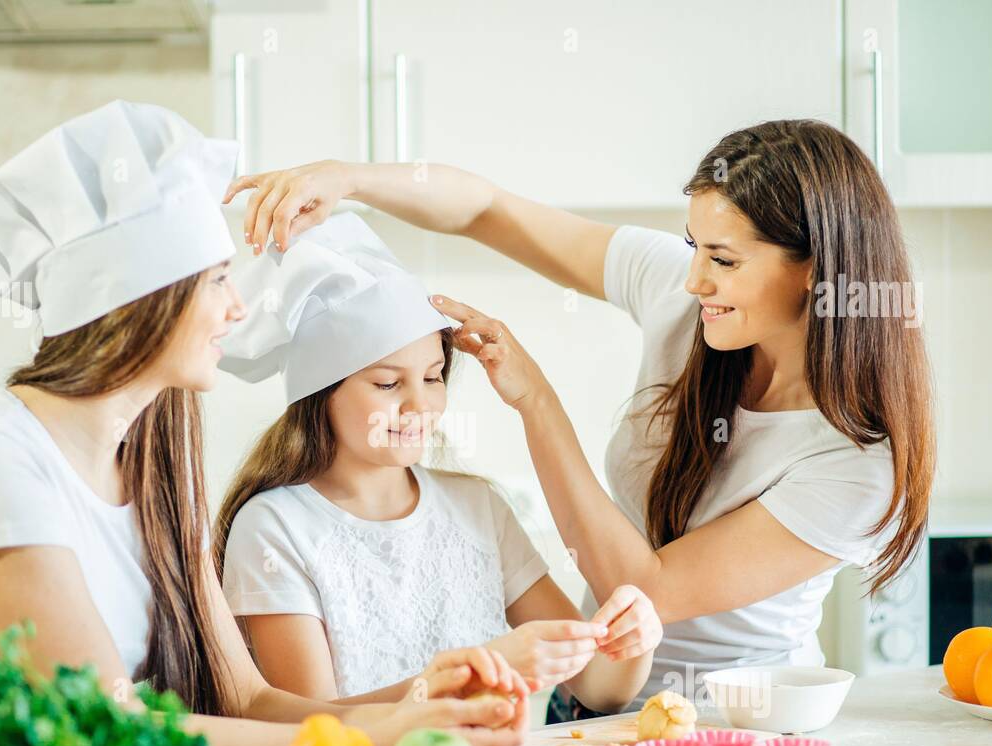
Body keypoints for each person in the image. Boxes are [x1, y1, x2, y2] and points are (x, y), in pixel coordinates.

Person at [0, 100, 565, 746]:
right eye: (216, 280)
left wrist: (422, 703)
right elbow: (107, 734)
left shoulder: (155, 468)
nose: (238, 308)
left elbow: (250, 701)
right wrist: (379, 743)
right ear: (137, 301)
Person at [226, 119, 935, 720]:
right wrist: (351, 179)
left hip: (735, 718)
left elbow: (648, 589)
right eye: (693, 248)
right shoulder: (690, 299)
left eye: (722, 259)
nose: (693, 281)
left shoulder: (856, 461)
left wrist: (535, 401)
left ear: (818, 268)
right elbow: (487, 211)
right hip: (594, 709)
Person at [213, 213, 658, 712]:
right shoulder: (274, 528)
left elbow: (599, 687)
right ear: (321, 392)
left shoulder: (478, 507)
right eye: (388, 384)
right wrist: (473, 674)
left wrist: (635, 636)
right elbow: (310, 726)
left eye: (433, 377)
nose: (420, 406)